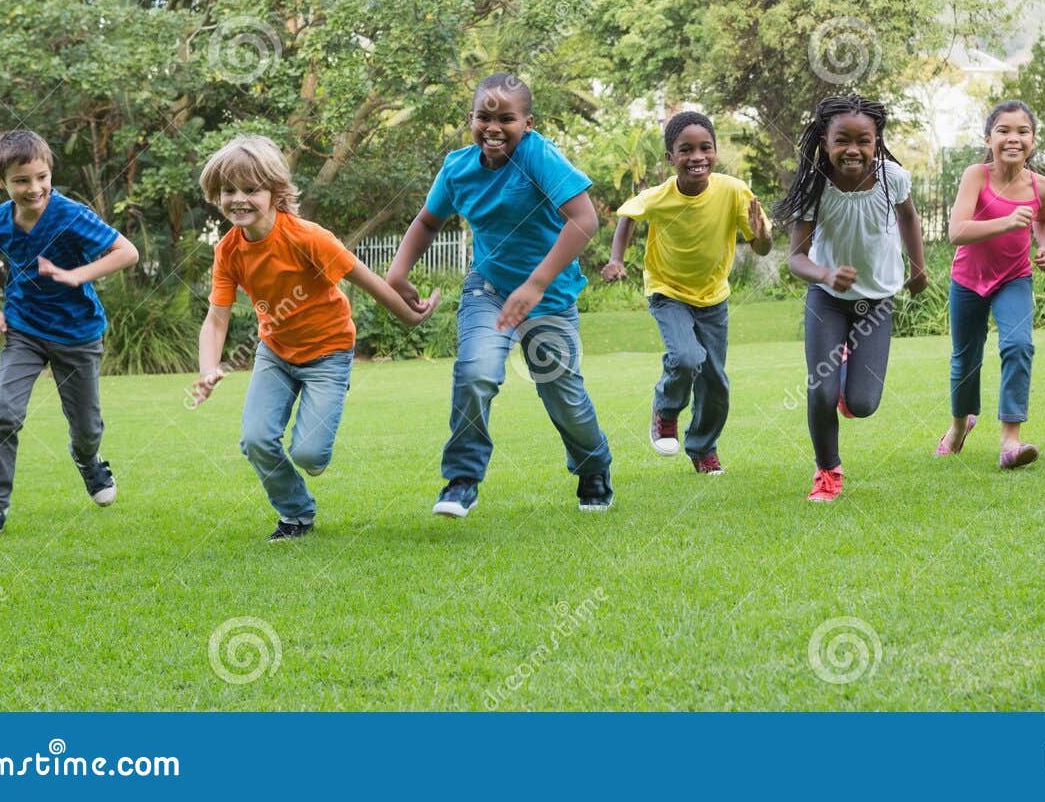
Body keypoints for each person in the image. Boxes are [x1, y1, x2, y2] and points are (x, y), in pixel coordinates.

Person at [386, 75, 615, 515]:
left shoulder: (539, 157)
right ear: (470, 120)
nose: (493, 127)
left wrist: (536, 284)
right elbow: (426, 222)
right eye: (484, 117)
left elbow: (584, 219)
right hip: (488, 288)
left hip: (550, 297)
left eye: (505, 118)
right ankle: (462, 479)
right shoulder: (458, 168)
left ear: (527, 123)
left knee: (562, 394)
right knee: (475, 372)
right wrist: (397, 274)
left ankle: (593, 467)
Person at [193, 134, 434, 540]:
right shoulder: (229, 250)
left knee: (309, 454)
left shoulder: (307, 237)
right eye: (228, 190)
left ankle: (312, 454)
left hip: (329, 351)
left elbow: (367, 280)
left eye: (251, 189)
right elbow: (216, 319)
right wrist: (208, 368)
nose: (238, 199)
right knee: (255, 440)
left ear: (275, 192)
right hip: (275, 353)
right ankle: (296, 514)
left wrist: (409, 315)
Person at [0, 129, 140, 535]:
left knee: (86, 428)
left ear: (50, 173)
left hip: (77, 333)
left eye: (41, 177)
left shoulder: (71, 215)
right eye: (21, 180)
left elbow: (127, 252)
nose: (34, 188)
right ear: (2, 182)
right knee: (4, 413)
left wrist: (78, 275)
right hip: (24, 329)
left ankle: (89, 463)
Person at [603, 110, 772, 474]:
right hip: (668, 291)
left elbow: (760, 248)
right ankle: (665, 409)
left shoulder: (733, 191)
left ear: (715, 151)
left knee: (715, 382)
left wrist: (764, 236)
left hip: (714, 297)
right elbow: (628, 216)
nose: (697, 157)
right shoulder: (659, 195)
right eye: (686, 150)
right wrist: (617, 260)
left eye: (705, 148)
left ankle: (702, 448)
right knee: (685, 357)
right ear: (670, 158)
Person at [778, 95, 926, 503]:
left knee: (861, 403)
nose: (853, 150)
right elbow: (795, 258)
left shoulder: (893, 178)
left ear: (877, 141)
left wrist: (918, 269)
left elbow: (909, 218)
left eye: (864, 141)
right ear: (825, 141)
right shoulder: (815, 185)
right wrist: (826, 274)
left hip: (876, 302)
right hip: (827, 299)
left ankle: (846, 372)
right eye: (842, 140)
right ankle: (827, 471)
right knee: (821, 392)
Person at [940, 101, 1045, 470]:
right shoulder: (976, 176)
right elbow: (957, 232)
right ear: (988, 138)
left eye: (1023, 131)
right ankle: (960, 425)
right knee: (965, 360)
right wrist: (1007, 222)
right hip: (968, 280)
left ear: (1033, 141)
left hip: (1014, 278)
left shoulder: (1044, 187)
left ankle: (1010, 441)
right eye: (1004, 130)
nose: (1013, 138)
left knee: (1019, 345)